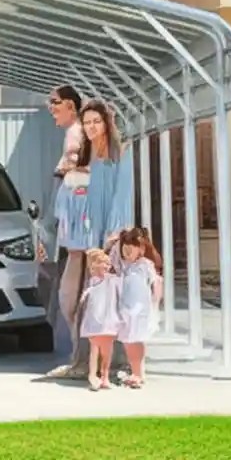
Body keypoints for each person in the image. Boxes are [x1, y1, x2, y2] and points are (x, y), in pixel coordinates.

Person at [48, 98, 136, 379]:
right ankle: (81, 358)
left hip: (106, 239)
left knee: (108, 302)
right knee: (70, 300)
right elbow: (68, 198)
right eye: (87, 123)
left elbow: (122, 196)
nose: (91, 127)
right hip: (79, 242)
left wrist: (114, 236)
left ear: (107, 123)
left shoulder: (120, 154)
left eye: (96, 121)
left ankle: (111, 364)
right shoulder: (83, 157)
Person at [39, 85, 84, 373]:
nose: (50, 108)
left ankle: (80, 358)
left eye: (54, 102)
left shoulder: (76, 135)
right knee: (67, 295)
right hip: (66, 231)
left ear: (70, 105)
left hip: (74, 234)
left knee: (70, 296)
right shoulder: (71, 135)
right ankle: (77, 356)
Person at [117, 228, 164, 388]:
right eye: (125, 247)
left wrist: (155, 302)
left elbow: (157, 282)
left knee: (136, 339)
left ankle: (138, 373)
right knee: (128, 341)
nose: (127, 251)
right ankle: (136, 371)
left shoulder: (145, 265)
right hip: (126, 308)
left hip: (140, 309)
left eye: (132, 247)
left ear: (141, 249)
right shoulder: (124, 266)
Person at [77, 248, 121, 391]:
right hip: (95, 319)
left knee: (107, 350)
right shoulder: (92, 282)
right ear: (94, 265)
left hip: (109, 319)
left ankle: (105, 376)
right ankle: (92, 375)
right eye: (104, 263)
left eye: (108, 264)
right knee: (94, 349)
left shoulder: (112, 280)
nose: (107, 266)